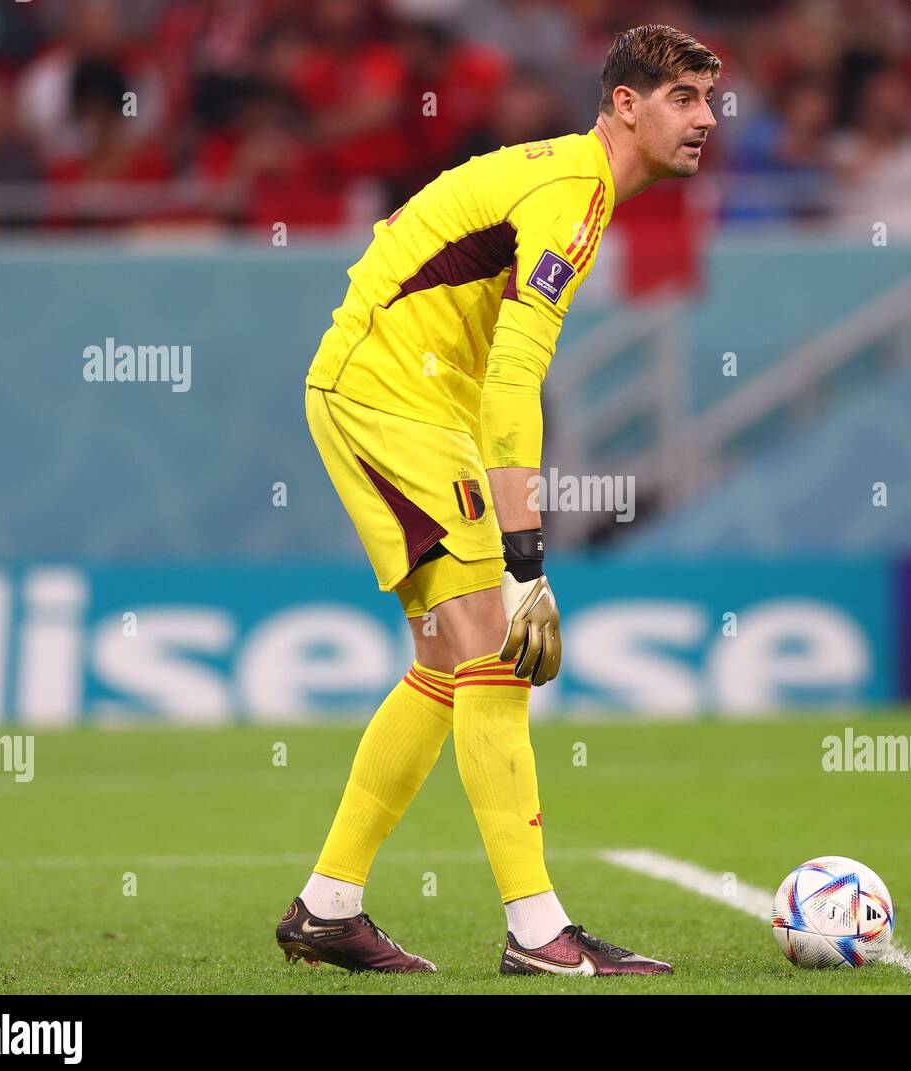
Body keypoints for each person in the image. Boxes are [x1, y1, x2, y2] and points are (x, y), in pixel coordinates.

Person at [277, 24, 720, 977]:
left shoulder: (573, 181)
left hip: (405, 397)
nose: (707, 120)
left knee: (448, 666)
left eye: (710, 100)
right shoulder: (574, 191)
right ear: (624, 105)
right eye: (684, 99)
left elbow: (493, 368)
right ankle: (538, 934)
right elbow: (517, 379)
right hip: (388, 397)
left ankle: (327, 907)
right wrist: (526, 562)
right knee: (497, 657)